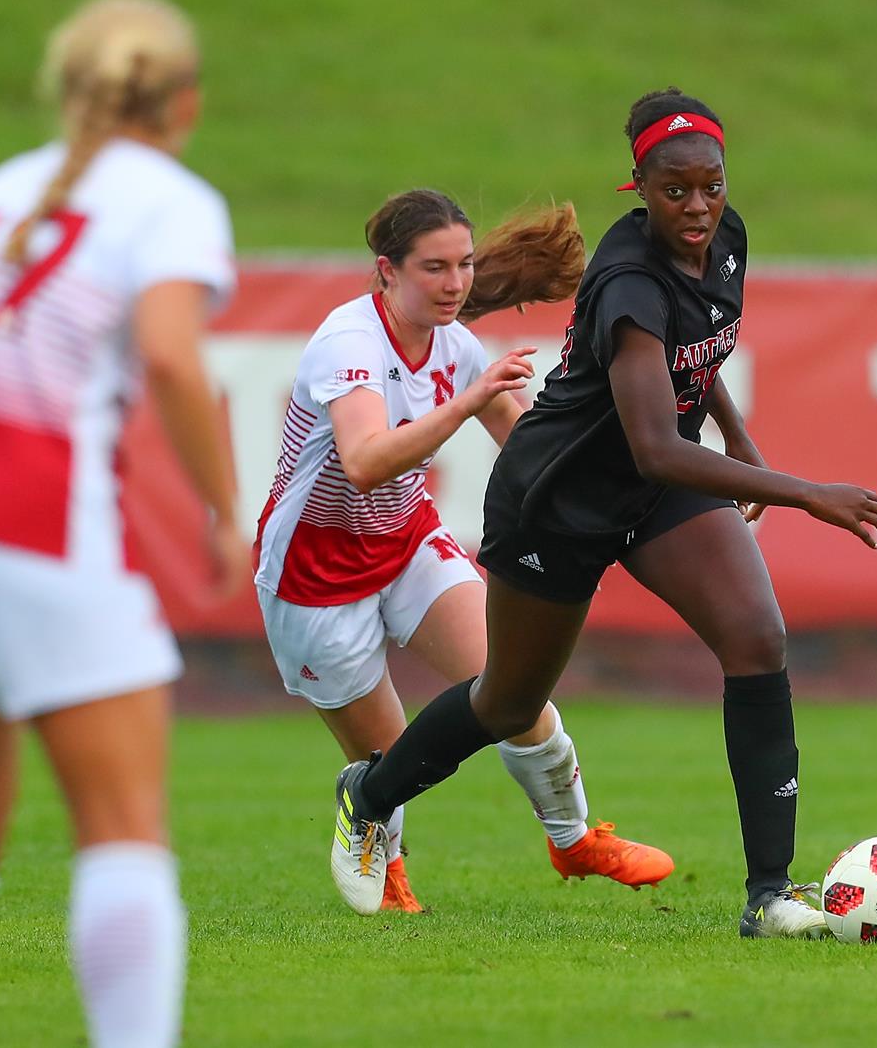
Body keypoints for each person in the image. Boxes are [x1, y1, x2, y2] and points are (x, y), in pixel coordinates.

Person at [327, 87, 877, 938]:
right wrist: (809, 492)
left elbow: (702, 349)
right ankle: (367, 796)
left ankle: (770, 896)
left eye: (711, 184)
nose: (697, 207)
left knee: (757, 640)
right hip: (559, 498)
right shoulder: (629, 281)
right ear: (639, 185)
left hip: (652, 486)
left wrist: (743, 445)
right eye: (674, 190)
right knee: (509, 706)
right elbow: (659, 443)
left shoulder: (724, 242)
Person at [0, 0, 248, 1046]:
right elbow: (173, 354)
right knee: (124, 833)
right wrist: (223, 511)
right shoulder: (170, 201)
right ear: (182, 103)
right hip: (29, 514)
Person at [257, 189, 673, 914]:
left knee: (514, 690)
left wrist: (612, 507)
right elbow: (363, 462)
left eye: (465, 265)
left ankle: (574, 841)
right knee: (390, 767)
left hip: (406, 541)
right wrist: (466, 399)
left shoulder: (455, 344)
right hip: (314, 573)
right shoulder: (347, 342)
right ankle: (391, 878)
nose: (455, 285)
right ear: (386, 270)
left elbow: (527, 453)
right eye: (434, 268)